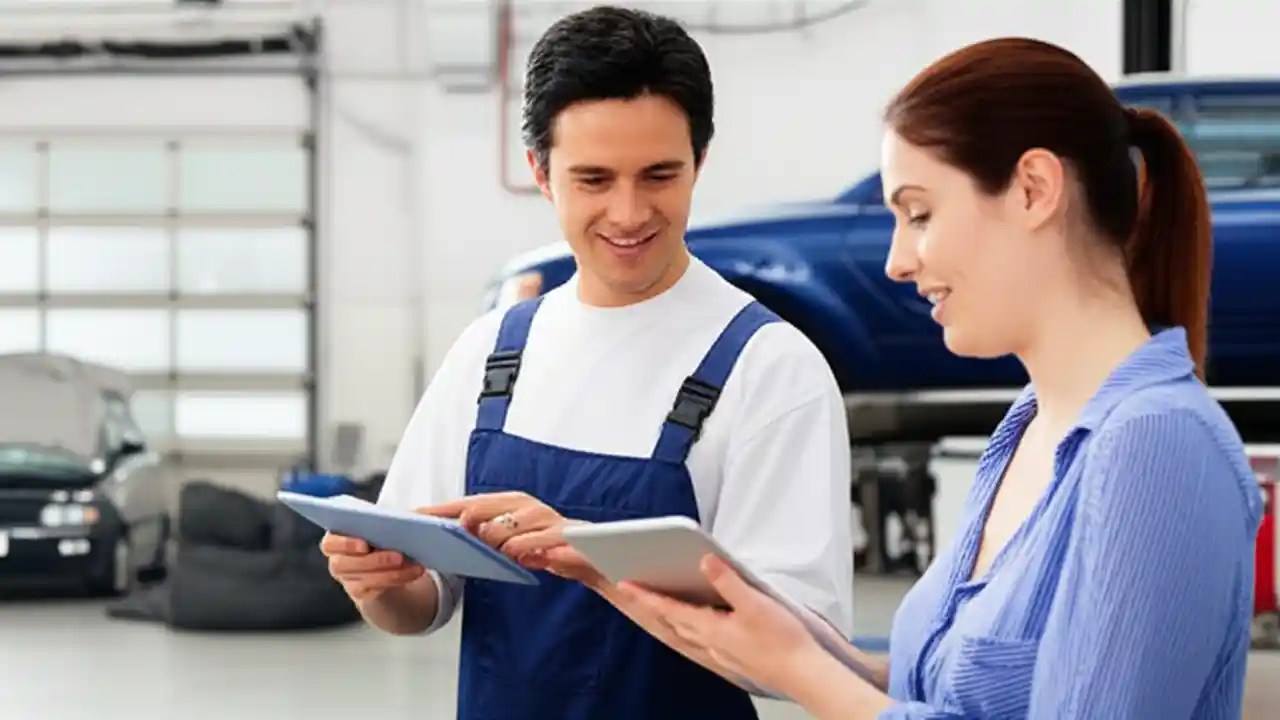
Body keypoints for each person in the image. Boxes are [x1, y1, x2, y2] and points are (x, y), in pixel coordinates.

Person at [613, 36, 1265, 719]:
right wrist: (778, 642)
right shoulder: (1027, 428)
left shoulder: (1155, 445)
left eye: (920, 214)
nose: (897, 260)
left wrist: (801, 671)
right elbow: (946, 690)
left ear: (1034, 190)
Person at [318, 6, 854, 720]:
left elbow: (805, 657)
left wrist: (598, 557)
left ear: (699, 161)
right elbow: (422, 602)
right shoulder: (492, 353)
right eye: (594, 180)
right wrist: (378, 583)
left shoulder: (772, 370)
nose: (629, 213)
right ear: (541, 173)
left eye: (659, 175)